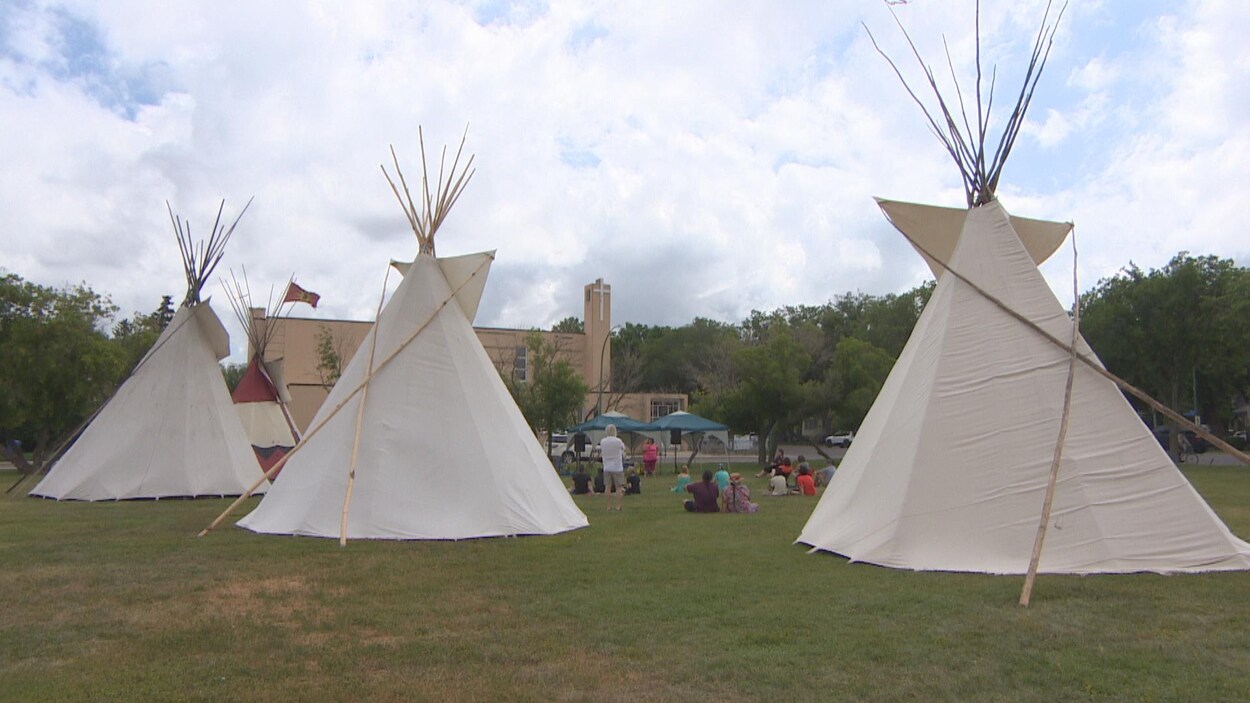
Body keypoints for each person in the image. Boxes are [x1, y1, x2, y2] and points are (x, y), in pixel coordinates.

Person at [599, 424, 628, 511]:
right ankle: (618, 506)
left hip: (607, 467)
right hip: (617, 467)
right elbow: (624, 449)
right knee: (618, 487)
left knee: (607, 487)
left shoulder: (603, 441)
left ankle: (608, 506)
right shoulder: (618, 441)